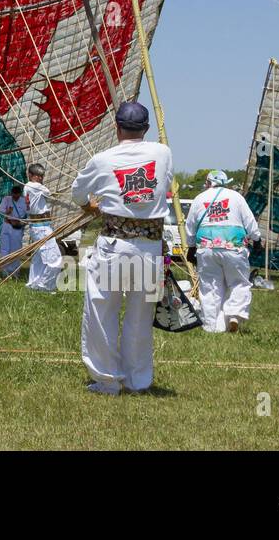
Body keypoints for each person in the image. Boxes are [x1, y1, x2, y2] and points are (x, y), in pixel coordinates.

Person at [71, 101, 172, 396]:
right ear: (147, 129)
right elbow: (163, 184)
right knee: (141, 316)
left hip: (114, 245)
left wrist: (88, 204)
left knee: (102, 311)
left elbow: (78, 190)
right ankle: (137, 381)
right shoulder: (162, 153)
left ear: (116, 128)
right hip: (150, 246)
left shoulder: (102, 160)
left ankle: (106, 380)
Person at [185, 170, 261, 333]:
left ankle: (213, 327)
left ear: (208, 182)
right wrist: (257, 238)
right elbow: (249, 220)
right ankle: (234, 314)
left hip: (206, 248)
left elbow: (190, 226)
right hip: (233, 247)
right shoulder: (236, 197)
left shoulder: (200, 198)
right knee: (239, 282)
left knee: (210, 287)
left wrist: (191, 247)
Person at [24, 162, 63, 292]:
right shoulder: (37, 187)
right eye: (37, 175)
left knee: (39, 258)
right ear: (30, 175)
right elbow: (49, 193)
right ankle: (46, 285)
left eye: (41, 176)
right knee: (55, 259)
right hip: (42, 227)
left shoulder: (27, 186)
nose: (40, 178)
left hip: (37, 226)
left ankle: (34, 283)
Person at [0, 183, 27, 276]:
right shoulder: (6, 199)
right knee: (5, 249)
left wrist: (21, 223)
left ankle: (15, 272)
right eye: (14, 195)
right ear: (11, 193)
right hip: (7, 225)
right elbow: (1, 212)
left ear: (20, 194)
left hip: (17, 228)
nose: (15, 197)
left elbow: (27, 215)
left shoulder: (23, 201)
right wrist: (7, 212)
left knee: (16, 249)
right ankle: (4, 272)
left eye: (17, 195)